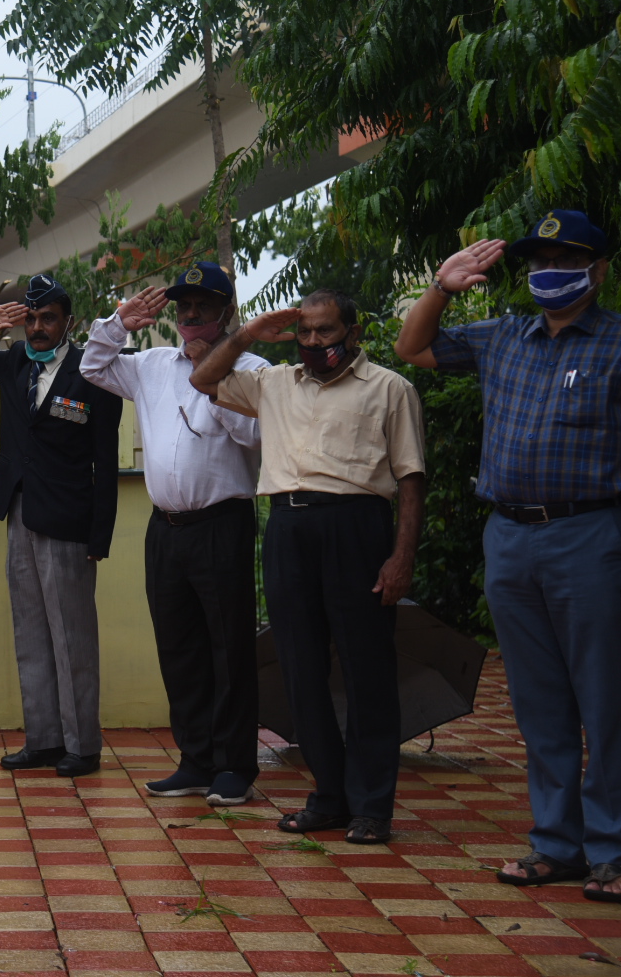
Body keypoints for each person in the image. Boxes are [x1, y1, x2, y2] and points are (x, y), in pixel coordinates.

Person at [394, 211, 621, 902]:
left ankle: (616, 851)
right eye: (539, 259)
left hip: (591, 535)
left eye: (568, 256)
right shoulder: (503, 336)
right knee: (538, 701)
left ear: (600, 268)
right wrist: (441, 287)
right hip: (510, 535)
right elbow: (414, 347)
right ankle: (556, 843)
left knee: (604, 695)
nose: (550, 269)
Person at [191, 288, 425, 844]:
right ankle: (329, 795)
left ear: (352, 331)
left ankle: (372, 806)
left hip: (358, 527)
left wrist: (401, 556)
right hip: (288, 528)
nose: (316, 342)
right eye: (306, 332)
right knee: (299, 668)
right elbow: (203, 378)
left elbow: (411, 477)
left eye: (326, 331)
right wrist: (248, 334)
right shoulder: (273, 383)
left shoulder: (391, 388)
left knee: (367, 671)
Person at [80, 263, 269, 805]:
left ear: (225, 313)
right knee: (178, 646)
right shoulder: (153, 364)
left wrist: (212, 376)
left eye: (203, 307)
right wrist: (119, 321)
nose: (190, 316)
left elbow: (255, 433)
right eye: (184, 307)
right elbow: (93, 366)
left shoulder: (251, 367)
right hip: (165, 528)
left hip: (221, 524)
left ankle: (235, 766)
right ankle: (196, 758)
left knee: (228, 647)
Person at [0, 274, 121, 777]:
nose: (39, 328)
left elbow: (105, 464)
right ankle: (43, 739)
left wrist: (100, 535)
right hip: (19, 512)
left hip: (68, 520)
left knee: (72, 637)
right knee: (30, 632)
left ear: (69, 322)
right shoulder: (14, 363)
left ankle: (82, 746)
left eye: (48, 319)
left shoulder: (92, 372)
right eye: (31, 319)